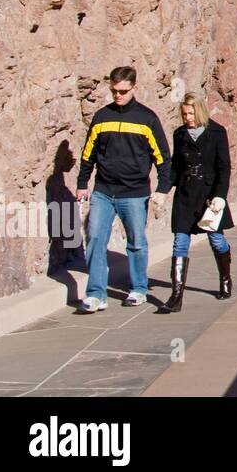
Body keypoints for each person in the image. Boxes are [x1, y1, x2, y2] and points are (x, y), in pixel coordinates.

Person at [76, 66, 171, 312]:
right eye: (114, 91)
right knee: (95, 238)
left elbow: (163, 157)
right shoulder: (101, 117)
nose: (118, 95)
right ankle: (96, 294)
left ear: (134, 88)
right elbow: (89, 154)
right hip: (103, 191)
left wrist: (162, 188)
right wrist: (81, 184)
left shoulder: (147, 119)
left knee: (136, 241)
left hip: (135, 192)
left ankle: (138, 288)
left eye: (123, 91)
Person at [157, 93, 234, 313]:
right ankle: (176, 295)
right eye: (184, 114)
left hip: (209, 194)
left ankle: (225, 278)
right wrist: (163, 191)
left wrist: (220, 195)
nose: (188, 118)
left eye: (191, 113)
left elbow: (224, 167)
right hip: (186, 193)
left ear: (199, 110)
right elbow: (175, 167)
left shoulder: (217, 132)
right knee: (180, 242)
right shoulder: (179, 134)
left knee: (216, 240)